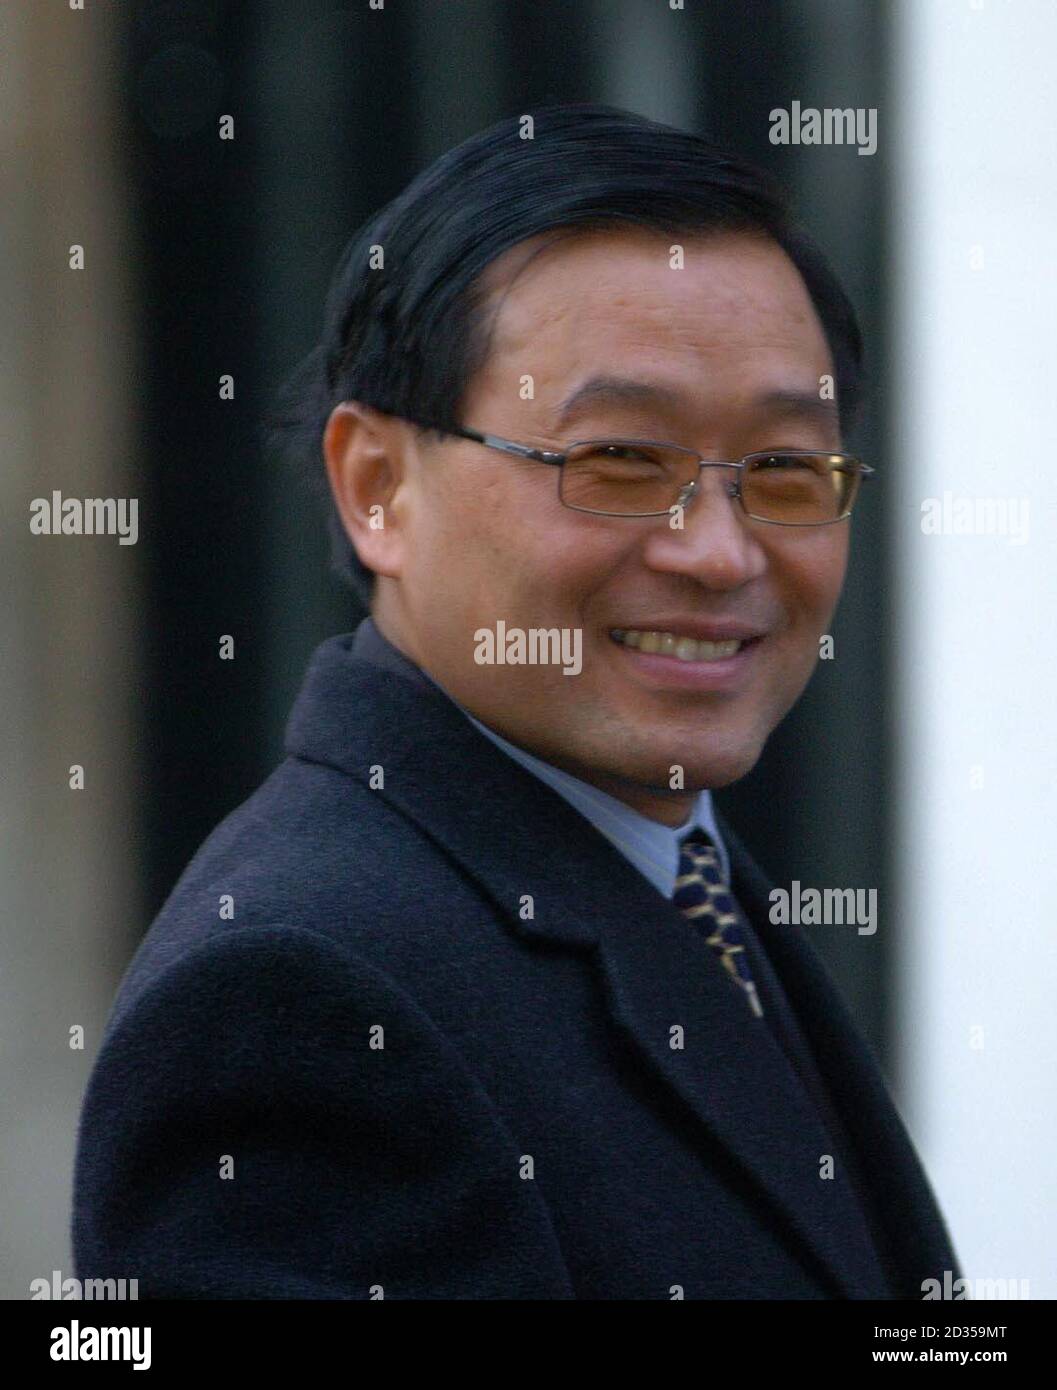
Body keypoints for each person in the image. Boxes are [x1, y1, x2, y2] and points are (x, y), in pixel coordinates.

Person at [72, 103, 960, 1299]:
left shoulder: (667, 862)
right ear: (377, 486)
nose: (719, 553)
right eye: (619, 462)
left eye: (785, 471)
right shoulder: (302, 995)